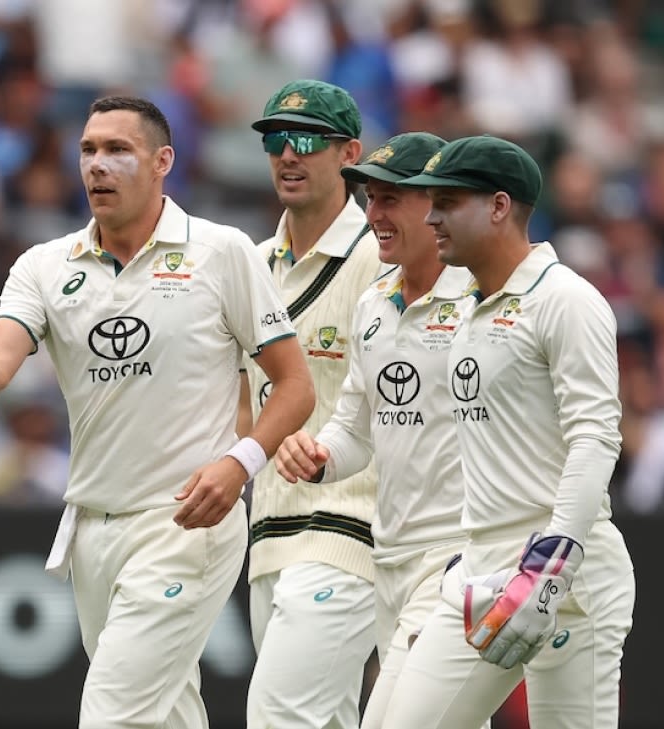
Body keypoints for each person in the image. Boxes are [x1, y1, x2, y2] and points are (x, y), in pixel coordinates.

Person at [0, 95, 316, 729]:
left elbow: (294, 385)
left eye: (118, 150)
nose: (98, 165)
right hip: (93, 528)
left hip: (185, 524)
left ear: (163, 161)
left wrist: (239, 464)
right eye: (88, 150)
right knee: (166, 713)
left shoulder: (222, 251)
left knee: (112, 716)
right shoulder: (43, 264)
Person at [378, 136, 635, 728]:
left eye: (446, 201)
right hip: (480, 572)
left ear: (499, 206)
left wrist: (551, 566)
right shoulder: (468, 308)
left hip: (571, 579)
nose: (431, 216)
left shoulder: (566, 299)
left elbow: (596, 437)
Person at [271, 132, 479, 728]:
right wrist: (318, 456)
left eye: (391, 200)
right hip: (390, 560)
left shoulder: (478, 300)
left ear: (435, 206)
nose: (375, 215)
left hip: (457, 558)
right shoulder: (375, 303)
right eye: (371, 199)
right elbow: (355, 431)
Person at [242, 79, 384, 729]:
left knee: (280, 718)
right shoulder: (250, 264)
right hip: (268, 534)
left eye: (306, 140)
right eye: (276, 140)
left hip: (350, 531)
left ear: (350, 153)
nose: (287, 155)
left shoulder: (381, 261)